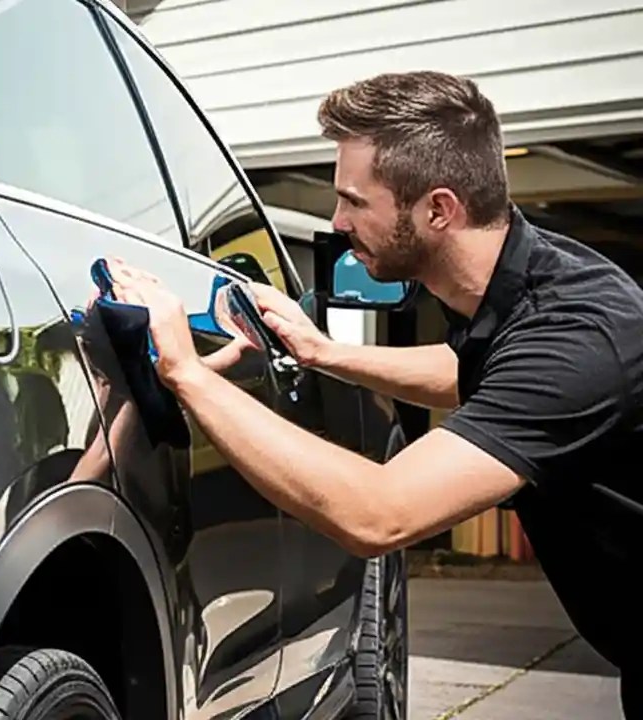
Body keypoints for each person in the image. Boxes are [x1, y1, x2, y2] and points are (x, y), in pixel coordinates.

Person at [107, 70, 642, 718]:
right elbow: (472, 371)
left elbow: (379, 514)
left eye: (355, 201)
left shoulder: (579, 334)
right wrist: (323, 353)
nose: (336, 221)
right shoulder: (513, 290)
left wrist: (184, 371)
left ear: (438, 210)